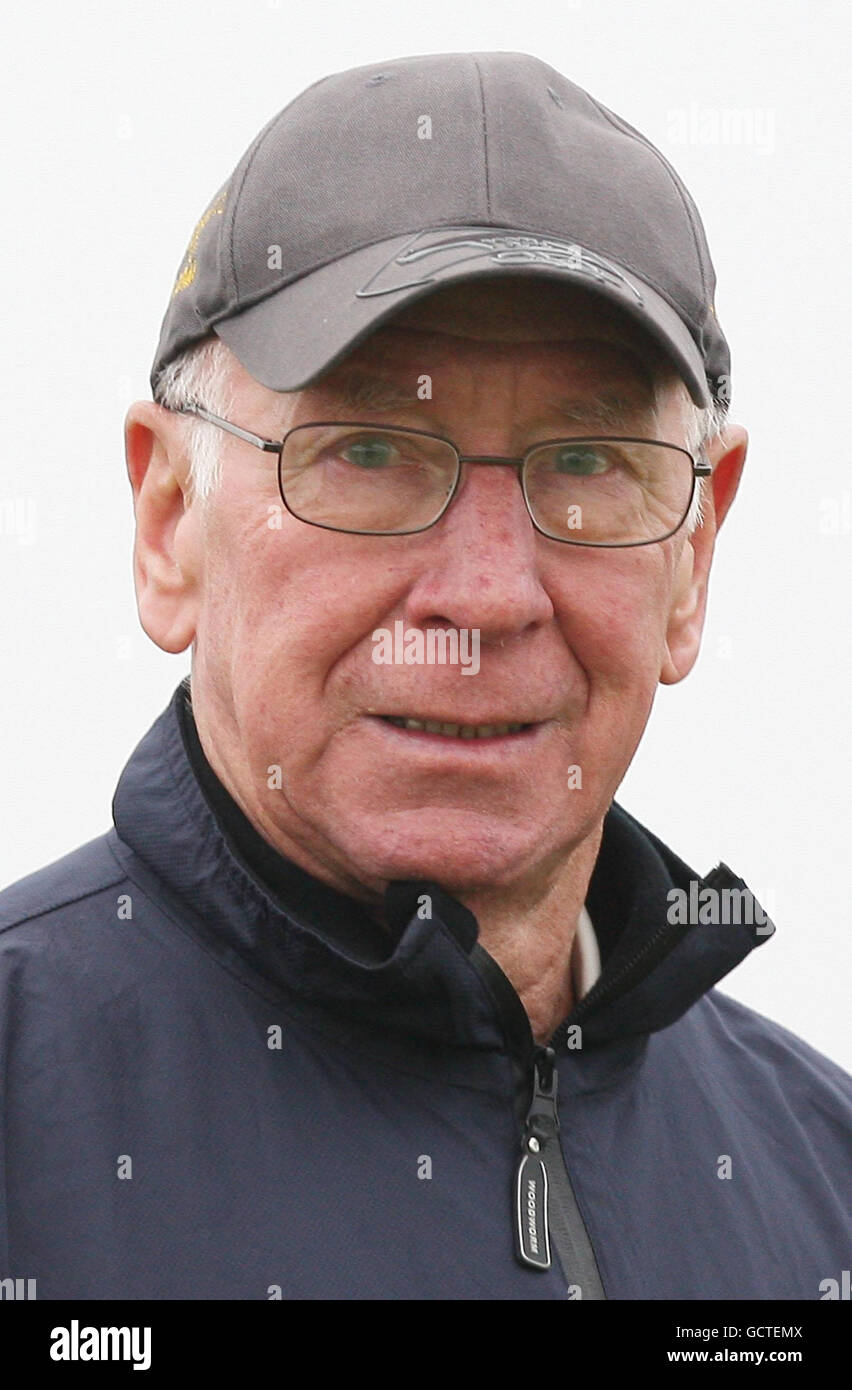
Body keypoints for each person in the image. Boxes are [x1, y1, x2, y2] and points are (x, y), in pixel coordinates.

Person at [1, 50, 849, 1302]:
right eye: (374, 448)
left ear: (695, 556)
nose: (489, 595)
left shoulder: (821, 1187)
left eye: (586, 460)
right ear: (170, 520)